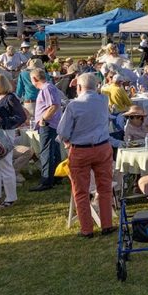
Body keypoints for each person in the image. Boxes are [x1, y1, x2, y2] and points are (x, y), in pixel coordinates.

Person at [56, 73, 114, 237]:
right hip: (102, 147)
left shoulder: (74, 105)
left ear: (79, 87)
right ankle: (106, 224)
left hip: (81, 149)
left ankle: (87, 229)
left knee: (81, 191)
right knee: (104, 188)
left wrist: (67, 139)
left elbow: (63, 131)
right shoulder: (103, 101)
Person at [0, 73, 27, 208]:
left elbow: (21, 117)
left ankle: (10, 197)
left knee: (5, 165)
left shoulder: (10, 98)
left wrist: (3, 121)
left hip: (5, 134)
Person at [28, 68, 64, 192]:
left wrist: (43, 119)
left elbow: (54, 105)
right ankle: (56, 177)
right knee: (53, 152)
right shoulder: (48, 88)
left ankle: (46, 181)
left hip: (49, 125)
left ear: (34, 79)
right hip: (51, 124)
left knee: (47, 152)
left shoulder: (47, 88)